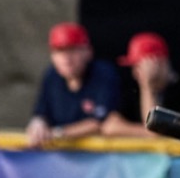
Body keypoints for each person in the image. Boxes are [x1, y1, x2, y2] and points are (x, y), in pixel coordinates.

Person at [25, 20, 118, 148]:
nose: (66, 58)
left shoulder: (102, 74)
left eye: (72, 50)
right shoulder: (51, 76)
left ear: (88, 51)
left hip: (100, 156)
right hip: (60, 155)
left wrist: (57, 133)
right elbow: (41, 113)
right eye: (59, 51)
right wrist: (38, 123)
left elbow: (101, 122)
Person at [100, 30, 172, 135]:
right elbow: (110, 126)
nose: (134, 73)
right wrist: (146, 133)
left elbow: (155, 127)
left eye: (139, 66)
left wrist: (147, 87)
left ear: (159, 63)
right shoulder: (134, 92)